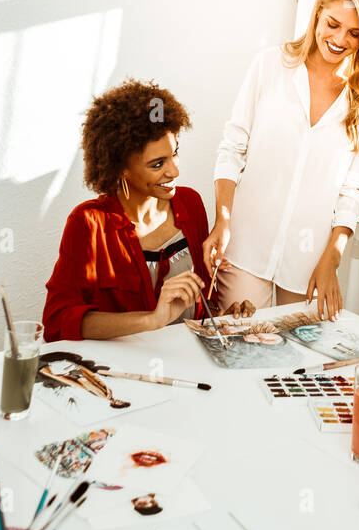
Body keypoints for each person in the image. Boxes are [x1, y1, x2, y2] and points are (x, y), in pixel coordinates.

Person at [204, 0, 359, 319]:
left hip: (311, 261)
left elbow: (352, 191)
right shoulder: (270, 65)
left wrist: (332, 259)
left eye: (354, 33)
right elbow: (232, 147)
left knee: (295, 361)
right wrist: (222, 220)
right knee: (235, 349)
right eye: (332, 24)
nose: (339, 39)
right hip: (245, 246)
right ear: (317, 11)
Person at [43, 80, 254, 341]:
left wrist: (221, 318)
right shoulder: (88, 223)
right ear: (120, 168)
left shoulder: (190, 203)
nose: (174, 171)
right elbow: (58, 320)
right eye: (157, 164)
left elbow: (198, 306)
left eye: (175, 153)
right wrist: (153, 319)